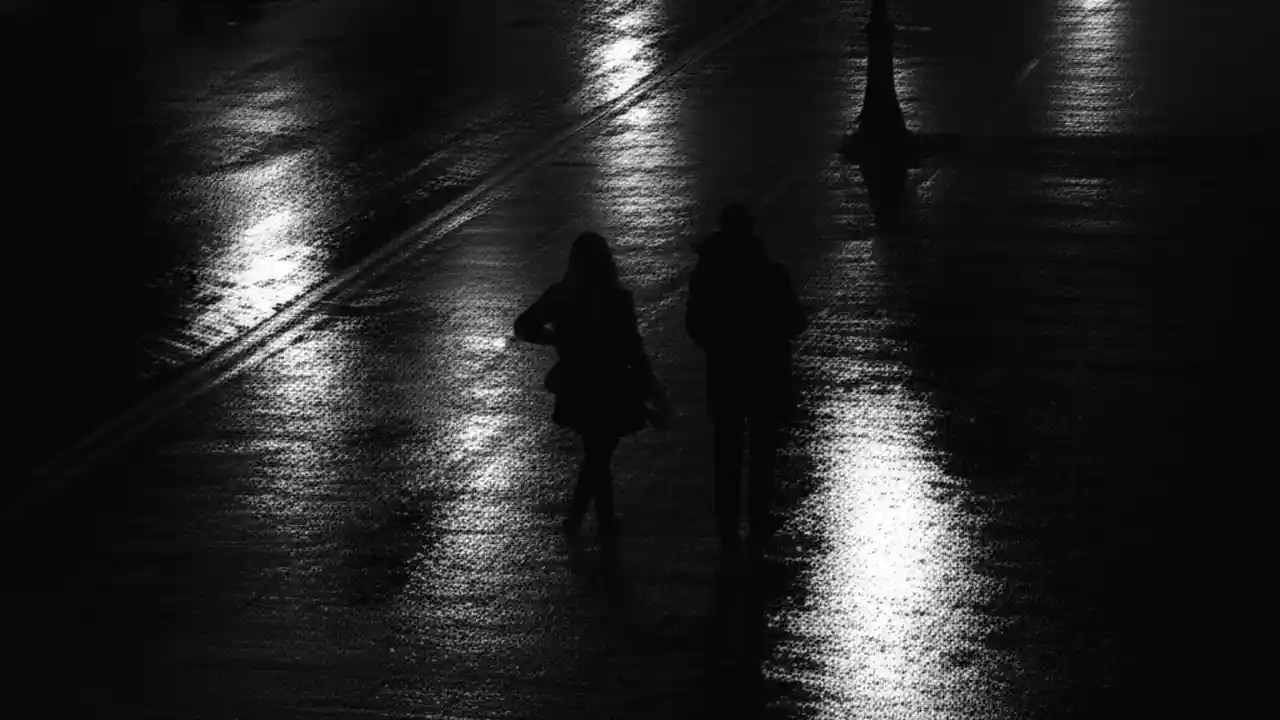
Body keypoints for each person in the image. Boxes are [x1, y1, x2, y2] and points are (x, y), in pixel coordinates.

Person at [515, 232, 653, 540]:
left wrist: (555, 339)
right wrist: (652, 389)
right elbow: (633, 349)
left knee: (596, 452)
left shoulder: (562, 295)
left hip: (577, 385)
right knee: (599, 453)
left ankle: (584, 518)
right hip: (612, 385)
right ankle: (593, 520)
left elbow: (523, 326)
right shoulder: (617, 299)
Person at [686, 204, 807, 556]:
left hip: (724, 375)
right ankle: (758, 517)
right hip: (764, 376)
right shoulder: (771, 274)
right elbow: (795, 323)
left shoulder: (706, 275)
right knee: (763, 449)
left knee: (726, 451)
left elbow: (694, 323)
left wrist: (716, 346)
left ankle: (726, 522)